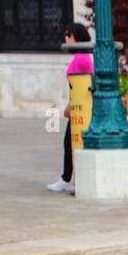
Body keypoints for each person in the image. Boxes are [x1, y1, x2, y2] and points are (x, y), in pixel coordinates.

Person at [47, 22, 93, 194]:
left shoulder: (81, 58)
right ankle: (68, 178)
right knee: (71, 142)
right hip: (79, 105)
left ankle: (68, 178)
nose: (65, 38)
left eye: (69, 34)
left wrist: (70, 106)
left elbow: (81, 84)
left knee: (72, 142)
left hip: (81, 107)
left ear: (76, 37)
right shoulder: (81, 56)